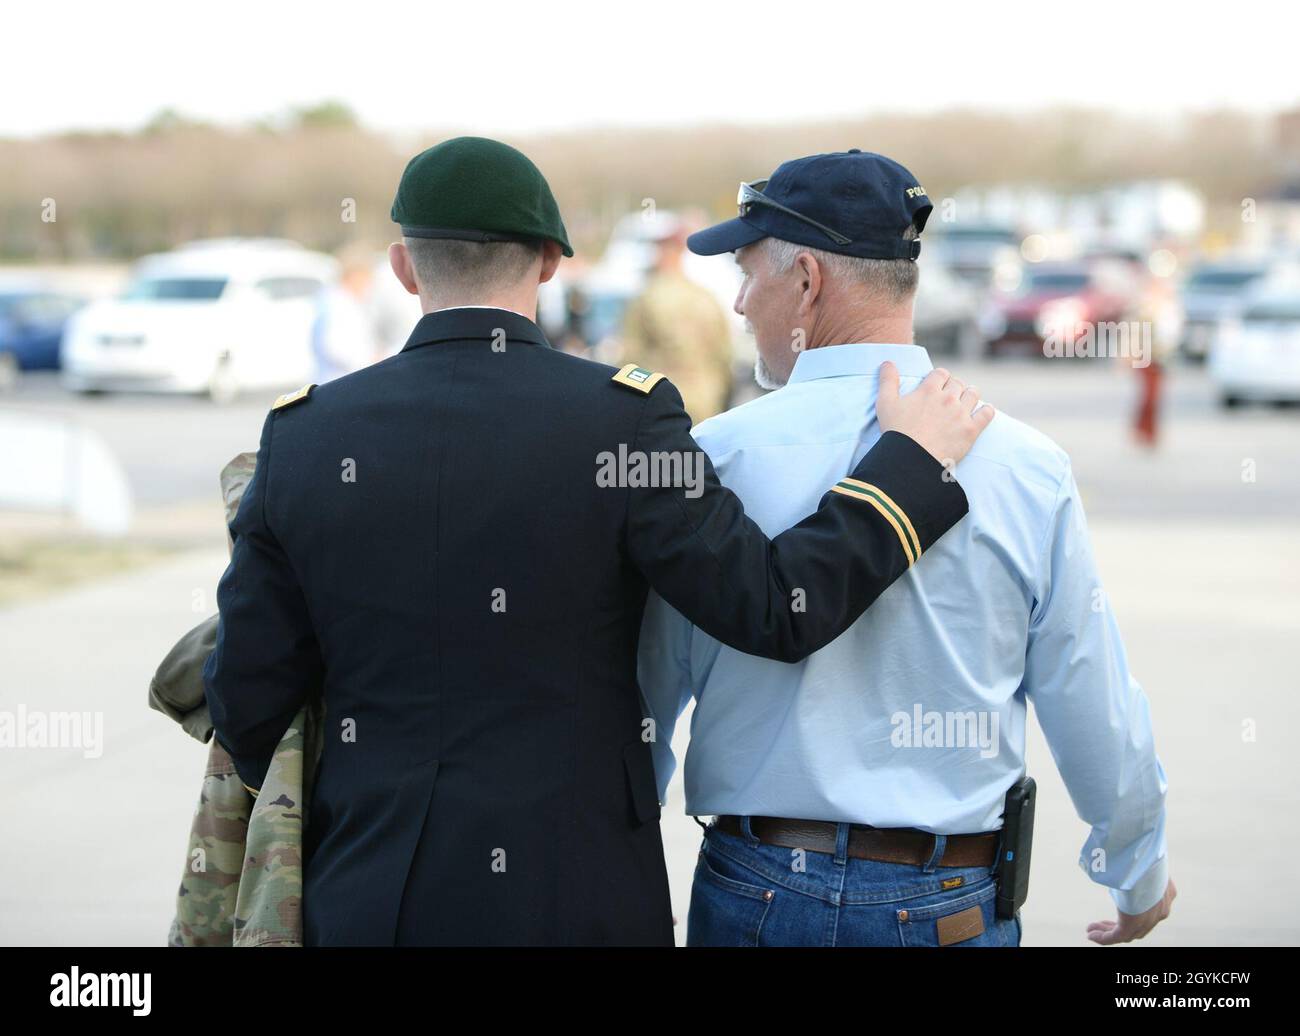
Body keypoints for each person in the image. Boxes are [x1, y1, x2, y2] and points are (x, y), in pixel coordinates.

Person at [201, 136, 992, 947]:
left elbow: (247, 699)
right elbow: (775, 607)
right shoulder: (622, 419)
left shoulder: (302, 434)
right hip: (577, 891)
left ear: (406, 268)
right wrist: (908, 467)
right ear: (549, 263)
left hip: (373, 886)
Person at [637, 149, 1174, 947]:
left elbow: (648, 695)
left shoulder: (712, 458)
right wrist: (1138, 871)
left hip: (755, 892)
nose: (742, 303)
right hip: (949, 902)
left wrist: (623, 870)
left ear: (809, 282)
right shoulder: (1026, 466)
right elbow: (1086, 689)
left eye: (748, 274)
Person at [618, 217, 735, 421]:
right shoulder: (706, 298)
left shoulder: (646, 298)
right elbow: (724, 353)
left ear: (662, 252)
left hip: (661, 400)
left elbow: (631, 357)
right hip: (706, 398)